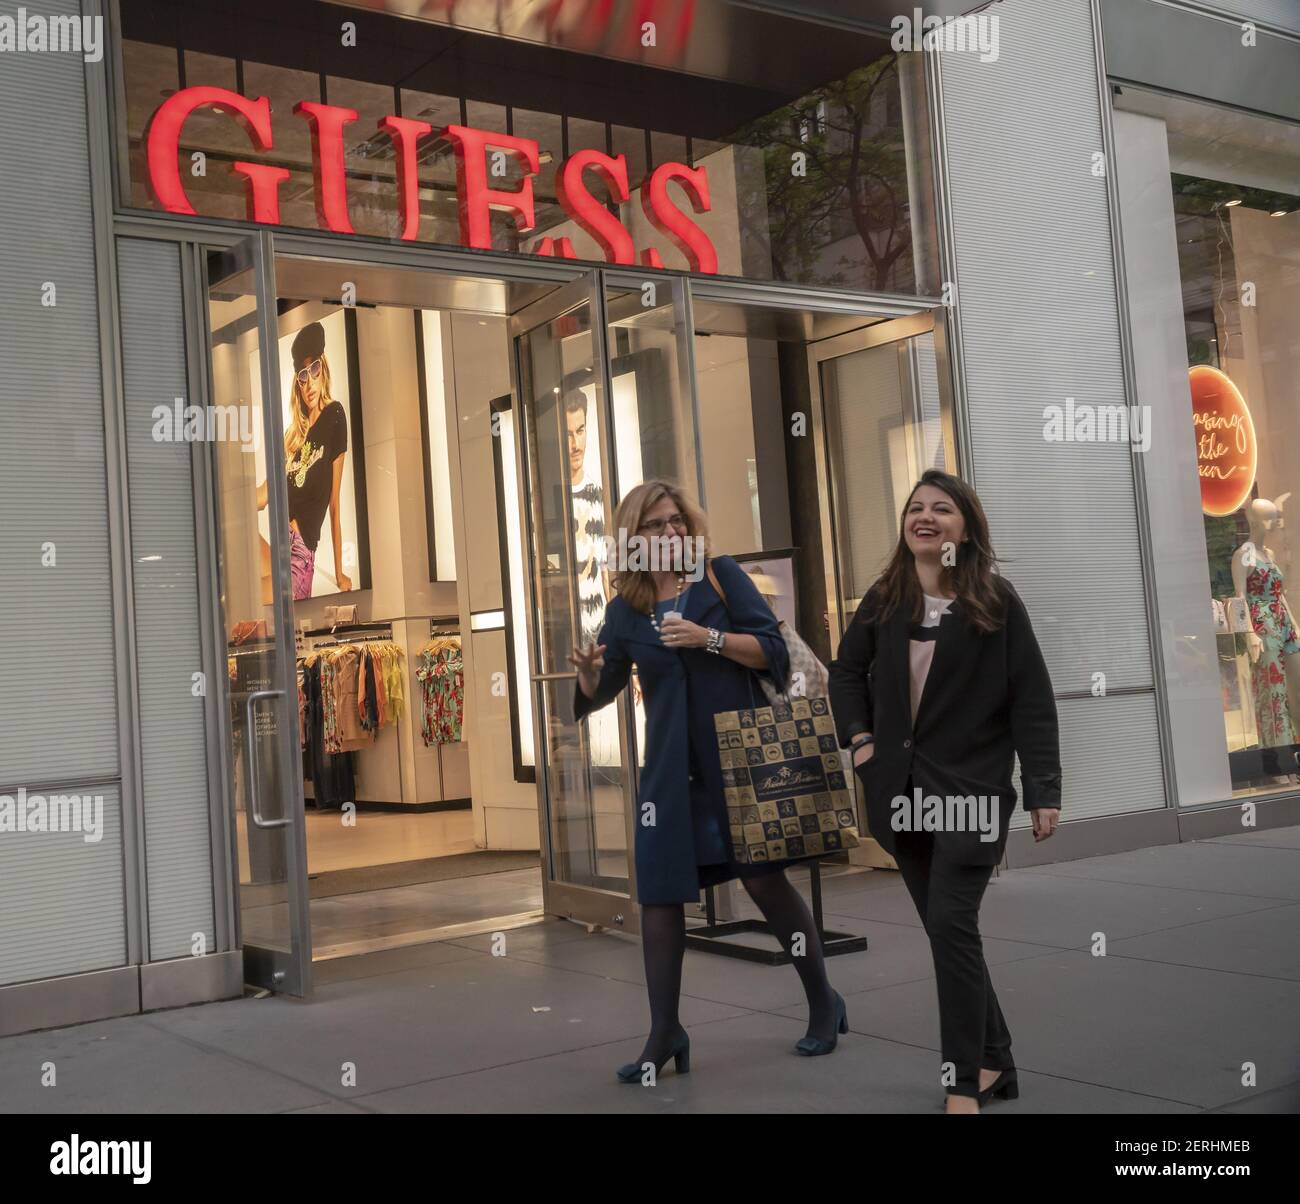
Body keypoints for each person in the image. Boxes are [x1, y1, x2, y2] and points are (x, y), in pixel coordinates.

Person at [569, 479, 846, 1082]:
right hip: (668, 775)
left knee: (765, 883)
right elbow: (607, 686)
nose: (669, 532)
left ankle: (823, 999)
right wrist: (590, 681)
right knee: (660, 896)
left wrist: (709, 638)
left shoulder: (719, 576)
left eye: (675, 521)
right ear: (632, 539)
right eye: (653, 525)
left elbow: (774, 650)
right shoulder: (624, 610)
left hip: (739, 760)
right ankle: (665, 1032)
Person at [828, 469, 1062, 1113]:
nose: (926, 517)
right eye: (916, 508)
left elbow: (1031, 701)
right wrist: (862, 744)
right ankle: (997, 1063)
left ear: (967, 528)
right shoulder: (885, 599)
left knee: (951, 924)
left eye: (943, 509)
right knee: (946, 930)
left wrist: (1044, 788)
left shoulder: (994, 601)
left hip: (972, 794)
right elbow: (845, 673)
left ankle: (963, 1083)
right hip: (900, 797)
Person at [257, 320, 352, 600]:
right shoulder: (292, 437)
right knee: (236, 592)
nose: (309, 382)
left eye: (314, 370)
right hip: (279, 550)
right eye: (302, 375)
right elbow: (262, 497)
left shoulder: (335, 416)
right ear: (297, 383)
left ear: (323, 369)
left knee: (246, 603)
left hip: (299, 556)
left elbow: (334, 503)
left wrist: (339, 572)